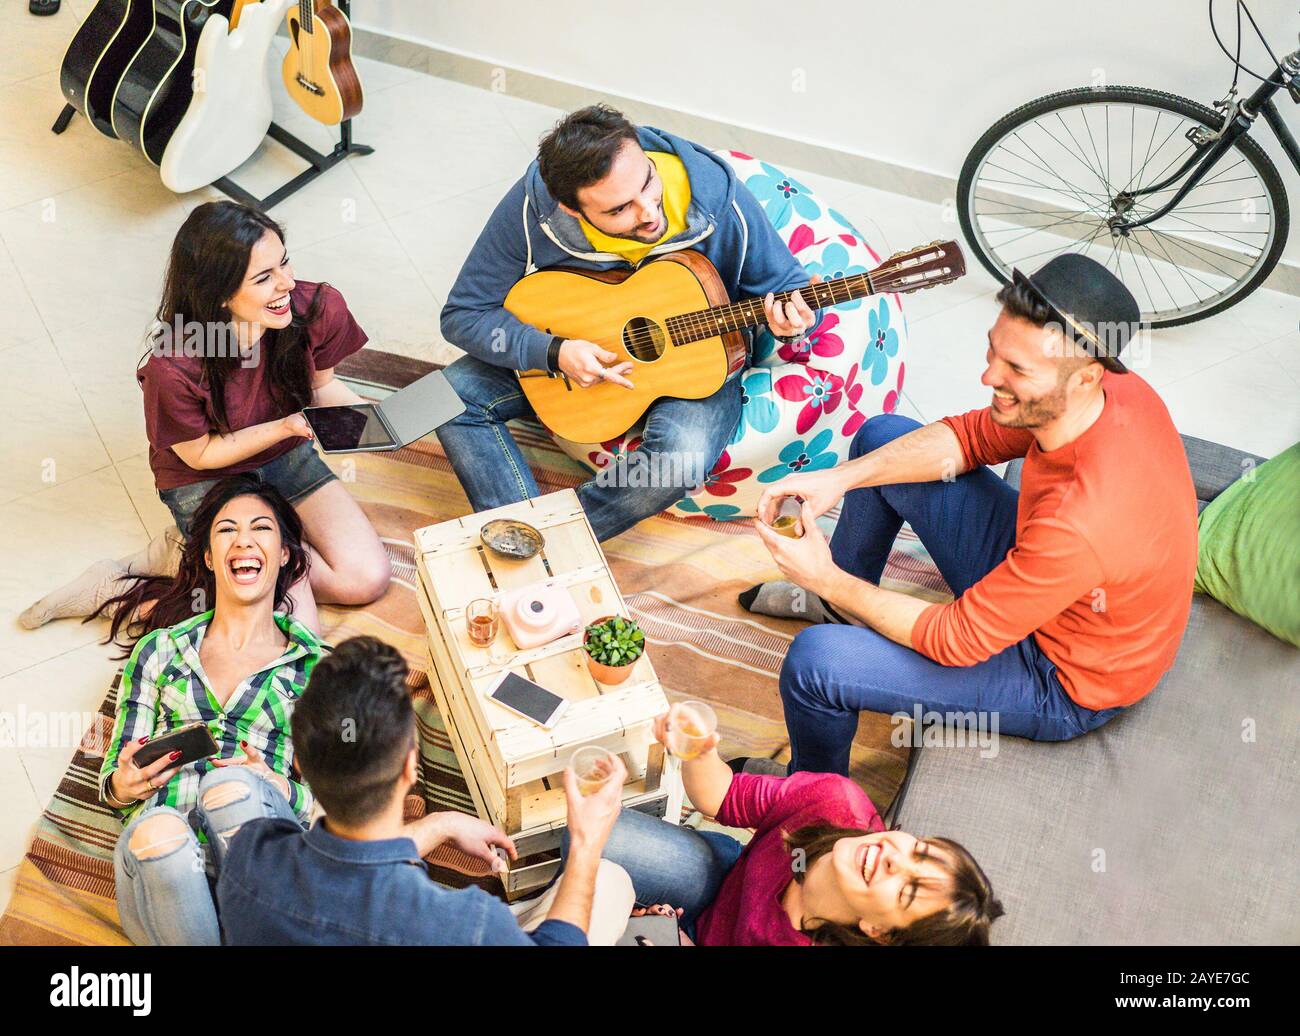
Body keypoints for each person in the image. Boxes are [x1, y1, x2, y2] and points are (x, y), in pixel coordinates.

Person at [739, 254, 1198, 774]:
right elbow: (971, 437)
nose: (988, 376)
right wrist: (838, 479)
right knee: (881, 441)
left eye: (1016, 370)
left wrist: (821, 574)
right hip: (1048, 577)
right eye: (994, 352)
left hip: (1059, 674)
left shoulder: (1083, 520)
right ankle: (838, 606)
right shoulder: (1112, 390)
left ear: (1086, 378)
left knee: (817, 662)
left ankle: (812, 803)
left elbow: (955, 639)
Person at [437, 103, 820, 541]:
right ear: (572, 210)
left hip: (698, 363)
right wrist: (554, 351)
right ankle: (515, 533)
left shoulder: (714, 195)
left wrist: (791, 322)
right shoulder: (532, 211)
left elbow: (787, 284)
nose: (649, 214)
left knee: (682, 459)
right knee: (445, 398)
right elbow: (464, 313)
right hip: (573, 352)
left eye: (648, 184)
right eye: (619, 210)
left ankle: (559, 541)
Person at [20, 200, 390, 634]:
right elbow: (200, 454)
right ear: (220, 293)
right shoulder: (173, 364)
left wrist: (376, 421)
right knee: (295, 623)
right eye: (264, 278)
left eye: (284, 263)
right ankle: (130, 582)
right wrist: (285, 427)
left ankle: (204, 557)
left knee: (365, 579)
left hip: (284, 457)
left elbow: (321, 385)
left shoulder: (315, 307)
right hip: (206, 479)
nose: (287, 284)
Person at [216, 635, 635, 946]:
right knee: (610, 881)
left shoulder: (250, 857)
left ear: (302, 766)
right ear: (411, 767)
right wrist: (585, 843)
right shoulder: (468, 924)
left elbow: (352, 867)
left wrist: (441, 823)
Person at [564, 705, 1002, 946]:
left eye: (906, 888)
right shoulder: (836, 801)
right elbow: (722, 797)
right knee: (583, 834)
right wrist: (697, 751)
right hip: (720, 880)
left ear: (879, 933)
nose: (893, 857)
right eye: (917, 849)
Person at [103, 476, 325, 945]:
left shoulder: (317, 667)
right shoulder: (159, 650)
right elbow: (114, 786)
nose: (243, 540)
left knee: (230, 787)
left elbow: (337, 807)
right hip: (161, 872)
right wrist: (124, 784)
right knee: (160, 831)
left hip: (260, 854)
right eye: (226, 530)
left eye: (261, 528)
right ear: (208, 556)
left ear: (284, 552)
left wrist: (277, 784)